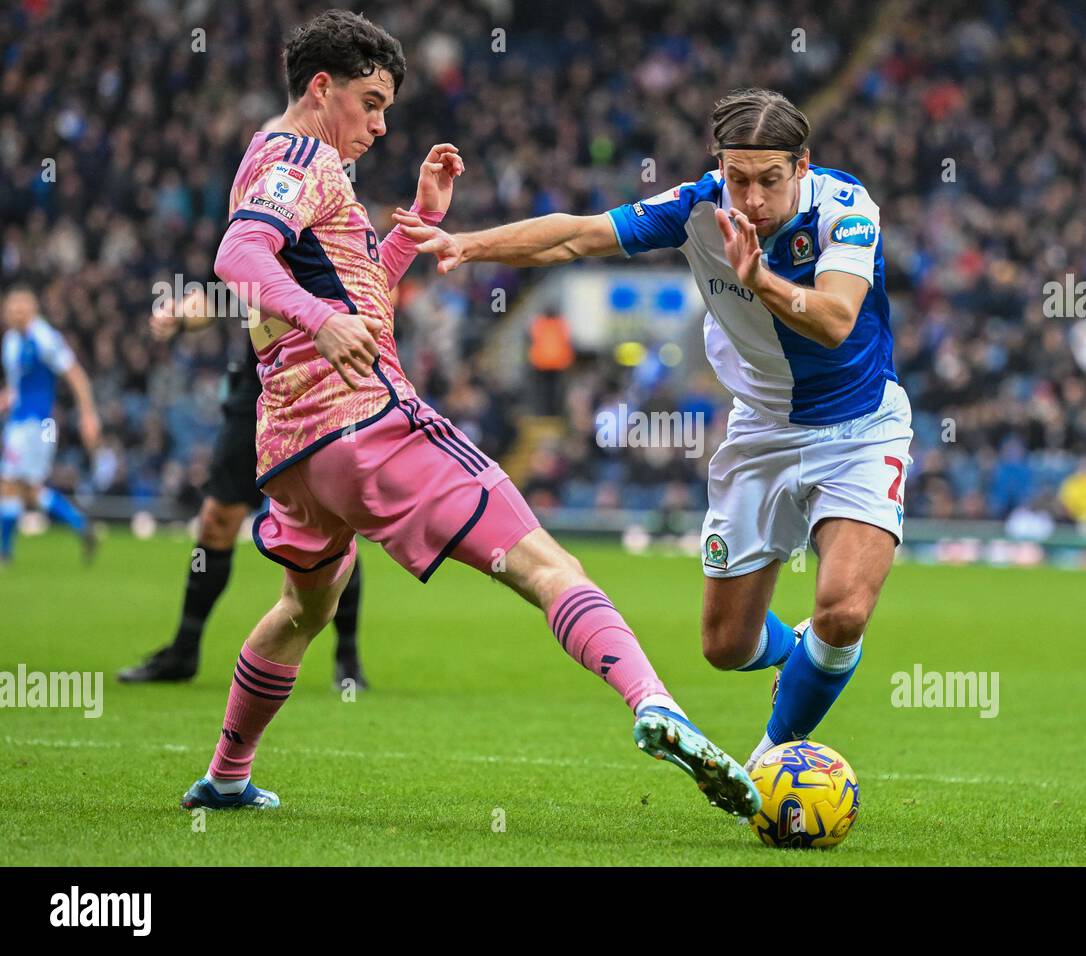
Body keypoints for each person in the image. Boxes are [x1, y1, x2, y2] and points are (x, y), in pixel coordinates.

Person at [180, 10, 758, 819]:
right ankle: (655, 704)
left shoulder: (271, 157)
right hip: (366, 425)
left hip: (292, 453)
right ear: (321, 88)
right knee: (549, 568)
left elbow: (360, 299)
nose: (381, 126)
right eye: (372, 103)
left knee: (302, 609)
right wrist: (321, 320)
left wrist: (414, 225)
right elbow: (238, 256)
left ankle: (226, 776)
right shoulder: (300, 158)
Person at [400, 87, 912, 770]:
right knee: (726, 646)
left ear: (803, 166)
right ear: (719, 167)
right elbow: (577, 235)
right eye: (738, 178)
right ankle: (803, 657)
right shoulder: (697, 207)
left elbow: (837, 318)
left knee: (843, 610)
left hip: (859, 429)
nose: (752, 199)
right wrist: (469, 243)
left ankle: (767, 762)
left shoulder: (847, 212)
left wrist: (758, 280)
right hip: (759, 431)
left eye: (770, 180)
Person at [118, 283, 367, 689]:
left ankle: (348, 660)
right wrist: (179, 315)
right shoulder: (255, 230)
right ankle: (184, 651)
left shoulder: (330, 231)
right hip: (258, 391)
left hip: (323, 389)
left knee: (333, 523)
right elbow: (217, 296)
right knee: (216, 519)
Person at [0, 285, 100, 565]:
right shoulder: (11, 341)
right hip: (22, 419)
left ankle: (4, 553)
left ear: (33, 310)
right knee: (30, 490)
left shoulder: (44, 338)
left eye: (23, 308)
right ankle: (81, 525)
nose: (17, 313)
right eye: (13, 308)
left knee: (8, 484)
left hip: (35, 424)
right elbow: (18, 385)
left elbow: (76, 375)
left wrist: (88, 415)